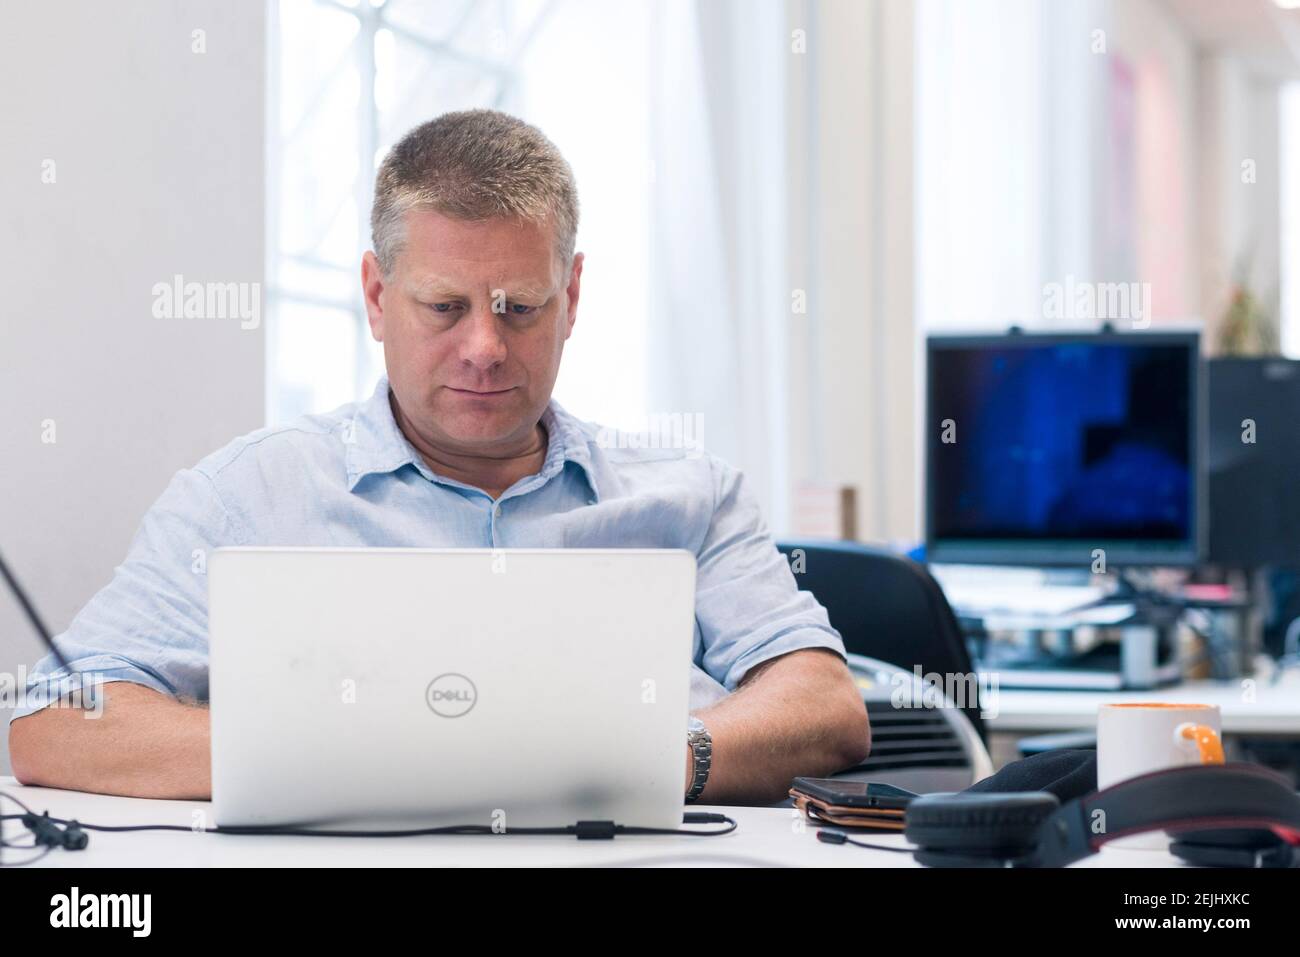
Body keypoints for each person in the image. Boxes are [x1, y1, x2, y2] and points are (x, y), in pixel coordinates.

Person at [9, 109, 870, 804]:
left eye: (520, 307)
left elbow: (826, 705)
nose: (486, 347)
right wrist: (360, 757)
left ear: (572, 297)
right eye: (445, 306)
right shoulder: (245, 495)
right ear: (378, 298)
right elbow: (52, 721)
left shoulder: (692, 494)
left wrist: (652, 754)